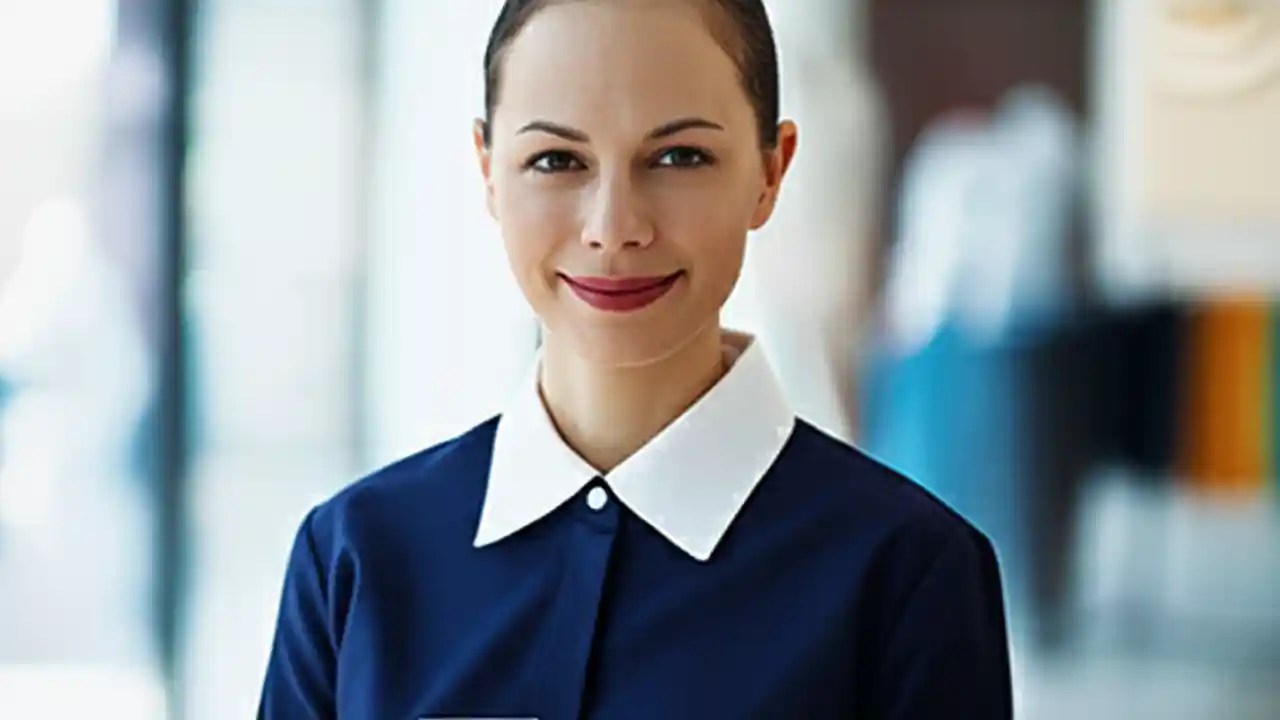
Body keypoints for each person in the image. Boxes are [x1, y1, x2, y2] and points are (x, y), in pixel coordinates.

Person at [258, 1, 1013, 717]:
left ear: (771, 172)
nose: (614, 226)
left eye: (680, 156)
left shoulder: (908, 574)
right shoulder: (354, 558)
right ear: (488, 170)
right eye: (556, 160)